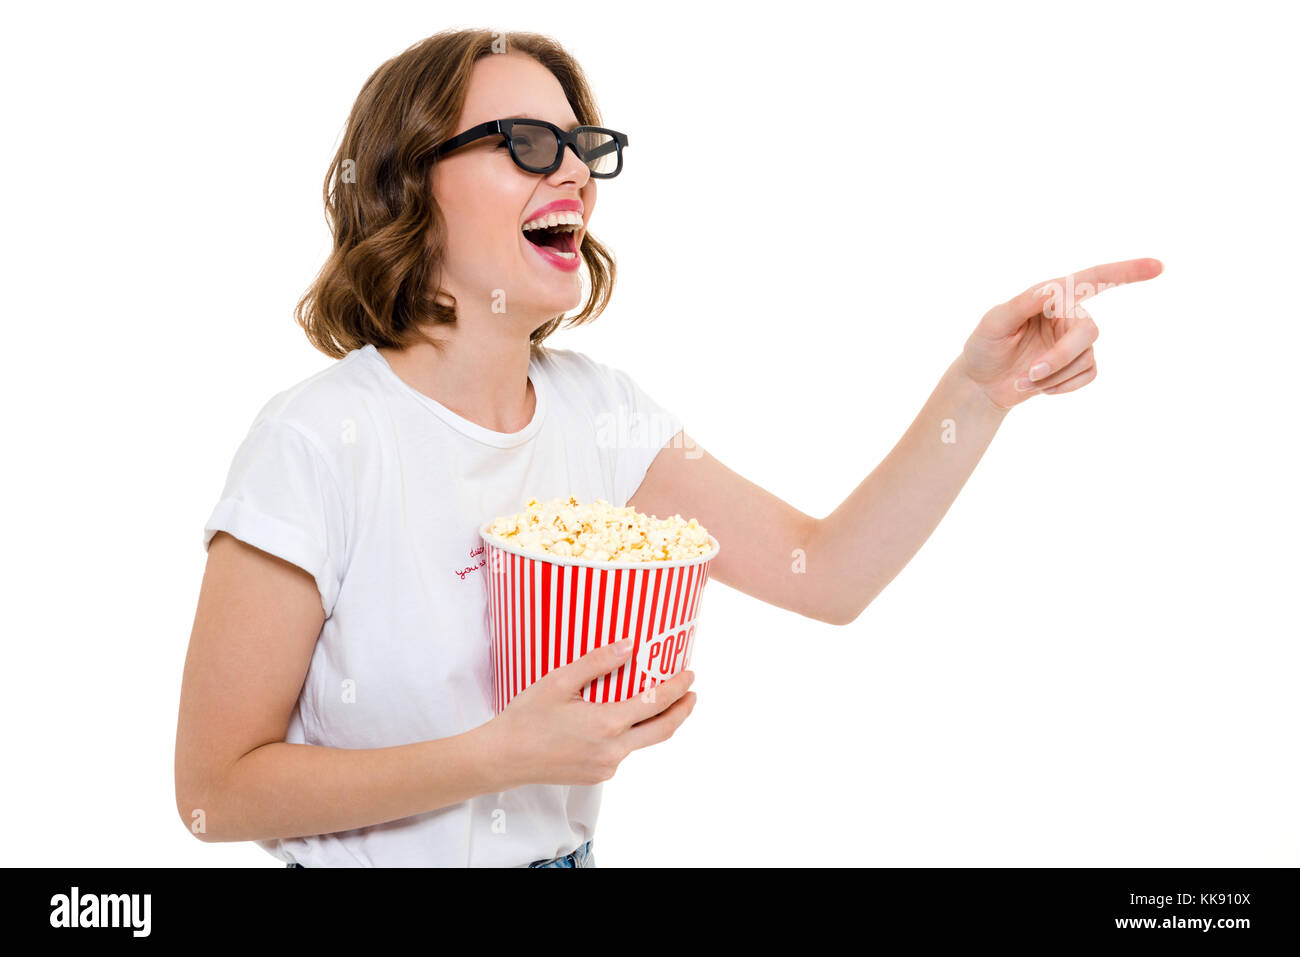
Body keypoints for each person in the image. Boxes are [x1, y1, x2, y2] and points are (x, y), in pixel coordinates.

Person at [174, 28, 1163, 868]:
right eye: (523, 142)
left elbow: (824, 574)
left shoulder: (597, 414)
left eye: (578, 147)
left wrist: (977, 391)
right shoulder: (316, 441)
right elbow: (216, 790)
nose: (570, 171)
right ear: (405, 183)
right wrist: (501, 755)